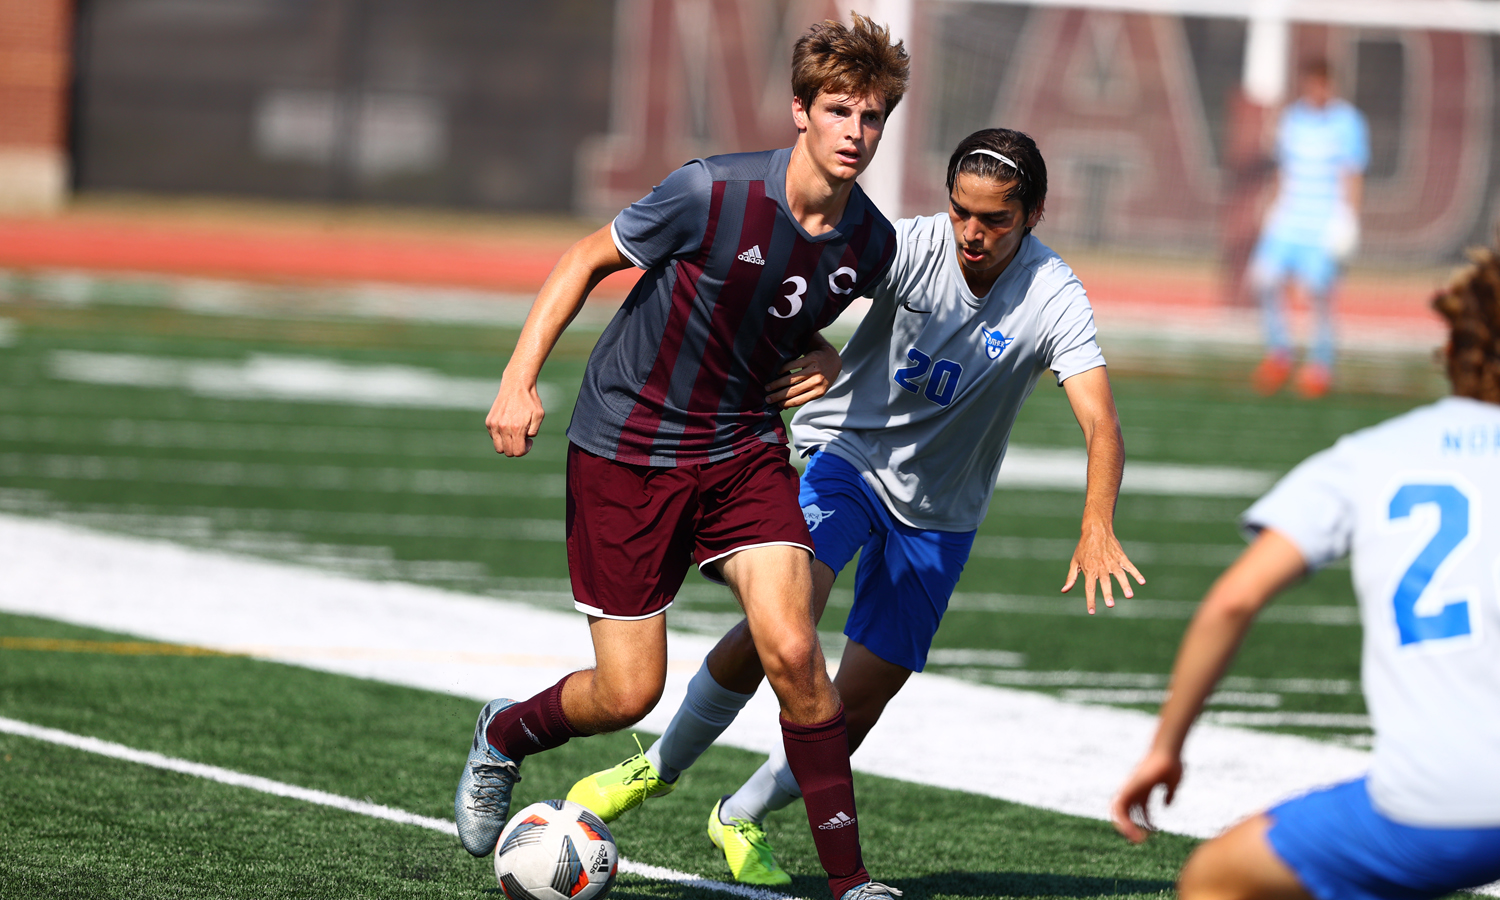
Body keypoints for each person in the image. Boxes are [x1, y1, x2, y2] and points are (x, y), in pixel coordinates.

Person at [568, 127, 1145, 885]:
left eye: (995, 219)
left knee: (864, 695)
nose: (972, 232)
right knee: (787, 622)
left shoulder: (1053, 293)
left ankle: (739, 813)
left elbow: (1102, 422)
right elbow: (796, 283)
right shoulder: (908, 247)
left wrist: (1097, 524)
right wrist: (818, 348)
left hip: (942, 510)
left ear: (1033, 215)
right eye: (961, 211)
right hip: (847, 459)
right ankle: (662, 766)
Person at [455, 15, 910, 900]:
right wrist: (518, 380)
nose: (857, 130)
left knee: (793, 648)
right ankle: (504, 736)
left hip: (743, 451)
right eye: (840, 109)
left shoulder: (872, 244)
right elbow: (586, 258)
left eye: (874, 115)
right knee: (629, 694)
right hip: (626, 449)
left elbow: (791, 311)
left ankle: (850, 882)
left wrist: (831, 354)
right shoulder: (712, 191)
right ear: (800, 111)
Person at [1111, 247, 1500, 900]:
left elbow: (1234, 599)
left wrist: (1165, 747)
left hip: (1439, 805)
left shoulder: (1370, 456)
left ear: (1454, 340)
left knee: (1217, 878)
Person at [1249, 57, 1369, 399]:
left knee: (1318, 292)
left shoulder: (1348, 122)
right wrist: (1273, 206)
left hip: (1324, 221)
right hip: (1289, 217)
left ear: (1330, 85)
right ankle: (1279, 352)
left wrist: (1348, 217)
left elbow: (1353, 173)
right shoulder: (1292, 119)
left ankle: (1320, 365)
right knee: (1264, 279)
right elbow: (1283, 169)